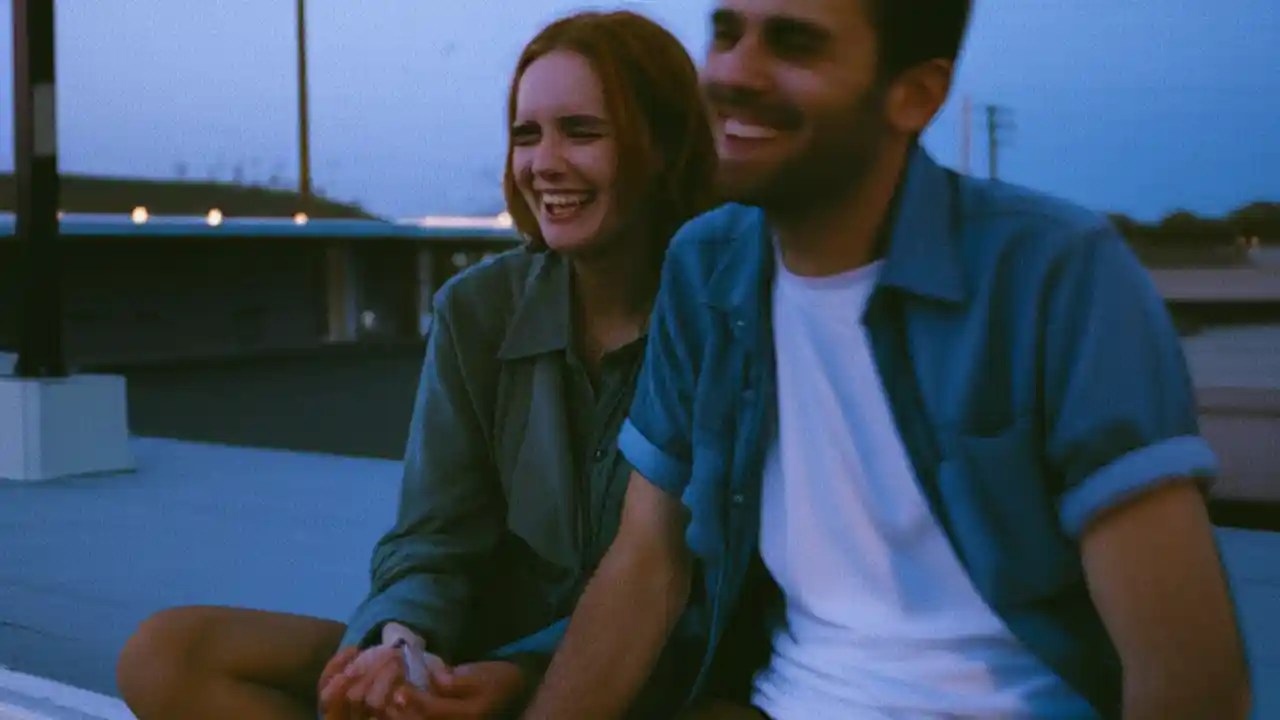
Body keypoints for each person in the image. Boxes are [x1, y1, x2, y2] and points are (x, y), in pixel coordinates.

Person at [520, 1, 1253, 719]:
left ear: (916, 95)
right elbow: (646, 561)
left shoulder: (1051, 273)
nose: (734, 73)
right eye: (726, 31)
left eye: (793, 42)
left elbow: (1189, 679)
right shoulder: (706, 266)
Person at [115, 10, 716, 720]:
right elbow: (434, 535)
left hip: (647, 679)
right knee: (167, 654)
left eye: (581, 131)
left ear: (664, 145)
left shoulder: (723, 316)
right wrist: (401, 645)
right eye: (527, 134)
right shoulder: (478, 310)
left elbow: (703, 588)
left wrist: (522, 674)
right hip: (472, 661)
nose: (544, 163)